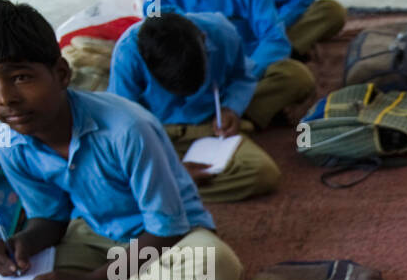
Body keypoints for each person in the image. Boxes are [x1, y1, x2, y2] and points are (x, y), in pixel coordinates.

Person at [0, 0, 244, 280]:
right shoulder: (10, 143)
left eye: (21, 77)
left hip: (167, 242)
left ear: (62, 74)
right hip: (95, 236)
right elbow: (50, 218)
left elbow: (167, 229)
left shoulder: (127, 128)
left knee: (215, 268)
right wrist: (22, 243)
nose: (5, 99)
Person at [109, 11, 280, 202]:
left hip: (210, 122)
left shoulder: (221, 32)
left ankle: (155, 189)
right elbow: (124, 128)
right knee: (114, 172)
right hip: (161, 134)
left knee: (263, 174)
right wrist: (174, 173)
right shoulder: (128, 52)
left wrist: (231, 108)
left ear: (204, 40)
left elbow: (241, 77)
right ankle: (170, 184)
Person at [139, 0, 315, 127]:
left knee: (297, 77)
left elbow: (274, 36)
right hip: (182, 73)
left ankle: (202, 121)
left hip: (237, 70)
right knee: (145, 79)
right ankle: (232, 118)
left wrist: (239, 81)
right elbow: (154, 19)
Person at [256, 0, 346, 56]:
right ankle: (276, 52)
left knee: (332, 10)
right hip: (253, 26)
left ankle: (274, 52)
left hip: (287, 18)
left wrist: (281, 21)